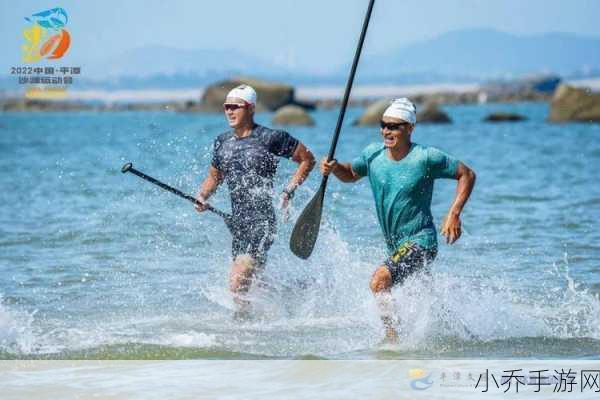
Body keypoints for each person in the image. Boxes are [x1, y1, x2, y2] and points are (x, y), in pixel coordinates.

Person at [320, 98, 476, 341]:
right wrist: (334, 167)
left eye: (394, 126)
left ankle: (393, 340)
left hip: (422, 241)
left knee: (379, 281)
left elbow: (466, 174)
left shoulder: (426, 157)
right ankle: (463, 336)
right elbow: (350, 173)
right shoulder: (373, 155)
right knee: (425, 299)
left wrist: (454, 213)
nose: (386, 131)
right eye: (383, 125)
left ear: (410, 128)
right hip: (397, 246)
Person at [195, 84, 315, 318]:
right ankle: (277, 309)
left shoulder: (271, 137)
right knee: (254, 281)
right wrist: (202, 196)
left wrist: (288, 190)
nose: (229, 111)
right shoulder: (222, 142)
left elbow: (307, 159)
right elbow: (214, 176)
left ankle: (243, 325)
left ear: (250, 108)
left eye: (235, 107)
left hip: (262, 221)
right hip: (236, 222)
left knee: (237, 281)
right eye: (226, 107)